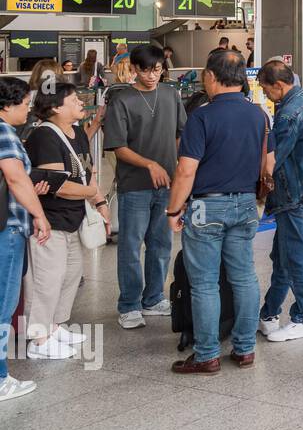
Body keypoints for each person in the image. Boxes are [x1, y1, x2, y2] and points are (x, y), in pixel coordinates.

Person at [166, 49, 274, 374]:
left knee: (204, 283)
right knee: (244, 277)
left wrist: (173, 210)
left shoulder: (202, 116)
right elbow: (266, 164)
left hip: (205, 205)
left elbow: (186, 170)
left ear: (210, 77)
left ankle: (207, 355)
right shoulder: (259, 115)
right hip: (244, 204)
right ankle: (244, 349)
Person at [102, 44, 187, 329]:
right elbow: (117, 146)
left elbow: (179, 135)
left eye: (158, 70)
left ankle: (152, 298)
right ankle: (129, 304)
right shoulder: (122, 100)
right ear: (135, 69)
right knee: (130, 245)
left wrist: (179, 171)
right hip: (134, 184)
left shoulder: (171, 94)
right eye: (147, 70)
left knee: (161, 244)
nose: (152, 76)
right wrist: (149, 164)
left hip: (167, 185)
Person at [23, 82, 108, 360]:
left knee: (70, 275)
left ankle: (54, 326)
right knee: (46, 280)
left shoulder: (77, 134)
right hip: (50, 220)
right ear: (56, 107)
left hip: (74, 219)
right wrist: (91, 192)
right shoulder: (44, 136)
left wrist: (99, 201)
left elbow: (88, 172)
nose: (81, 102)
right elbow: (58, 185)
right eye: (74, 100)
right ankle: (38, 339)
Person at [255, 60, 303, 342]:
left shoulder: (287, 116)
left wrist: (258, 187)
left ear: (279, 86)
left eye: (266, 89)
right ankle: (269, 313)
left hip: (291, 193)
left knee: (294, 255)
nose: (265, 94)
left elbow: (274, 160)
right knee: (283, 255)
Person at [0, 77, 52, 401]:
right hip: (8, 228)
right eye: (24, 104)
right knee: (3, 306)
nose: (28, 110)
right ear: (7, 105)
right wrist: (39, 214)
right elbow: (15, 178)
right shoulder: (4, 131)